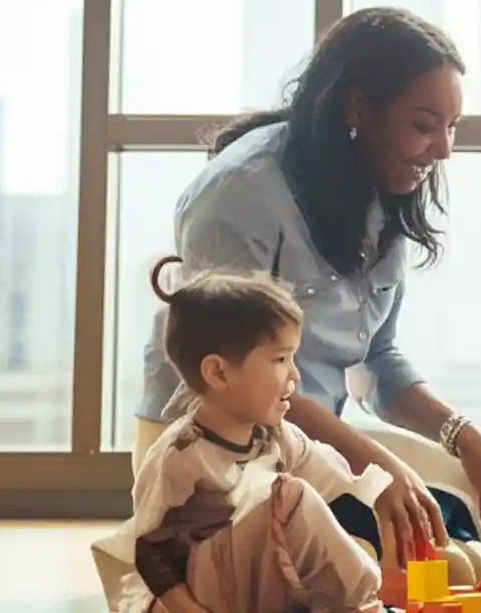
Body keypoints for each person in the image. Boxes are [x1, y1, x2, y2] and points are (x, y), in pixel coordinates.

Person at [135, 7, 481, 575]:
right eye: (424, 124)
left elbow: (375, 364)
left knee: (472, 523)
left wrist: (463, 437)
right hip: (221, 455)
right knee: (430, 567)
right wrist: (375, 467)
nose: (443, 150)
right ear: (358, 107)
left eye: (452, 126)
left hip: (307, 446)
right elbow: (240, 386)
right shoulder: (240, 193)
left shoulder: (383, 188)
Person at [120, 257, 384, 613]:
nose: (294, 375)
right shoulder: (182, 455)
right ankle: (365, 602)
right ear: (218, 373)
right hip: (200, 594)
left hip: (252, 584)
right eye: (279, 360)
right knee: (288, 495)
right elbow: (151, 551)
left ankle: (358, 599)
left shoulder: (274, 436)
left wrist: (381, 502)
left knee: (319, 510)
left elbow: (336, 478)